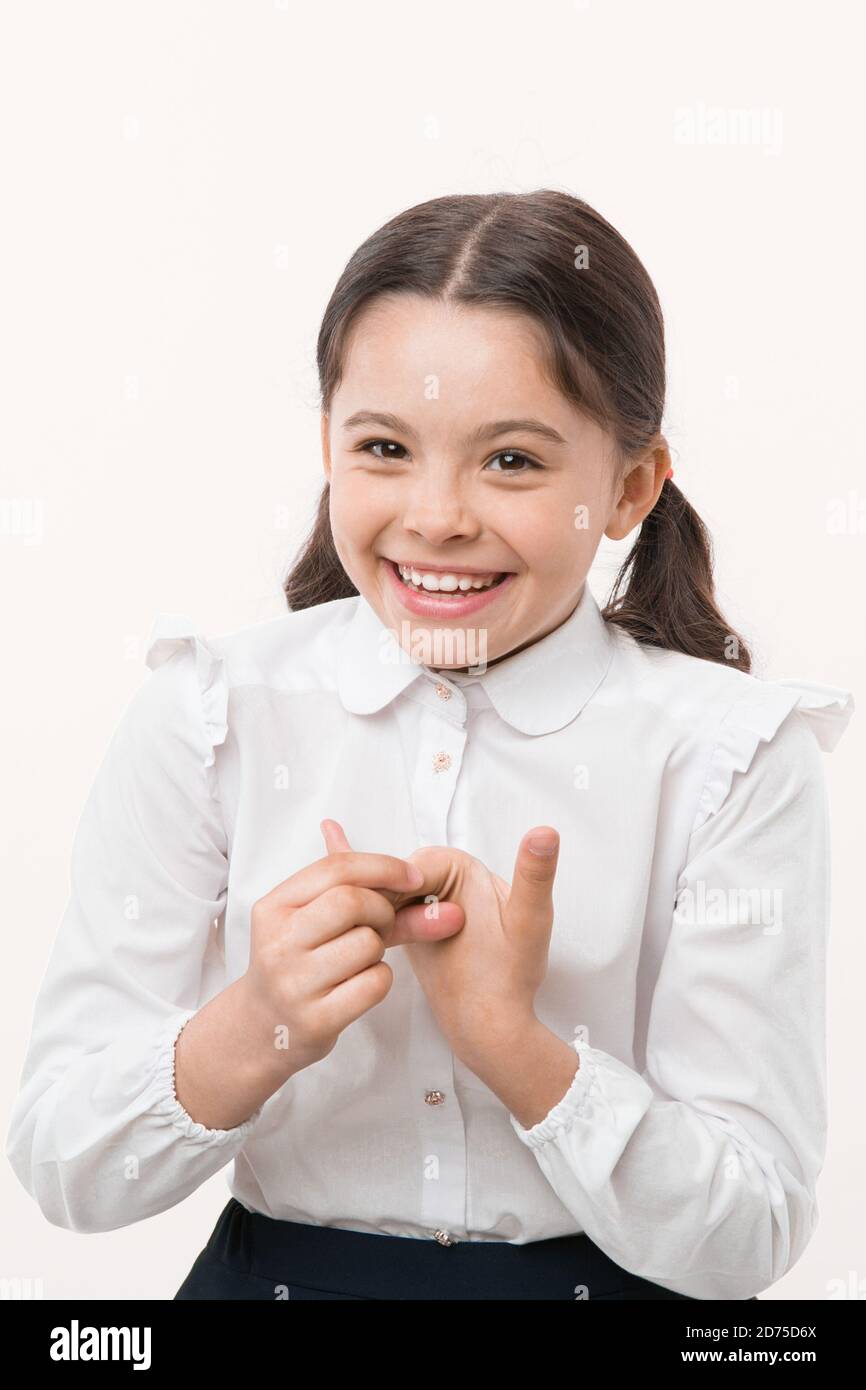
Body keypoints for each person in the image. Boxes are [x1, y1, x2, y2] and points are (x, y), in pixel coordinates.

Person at [6, 190, 854, 1301]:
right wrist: (257, 1023)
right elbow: (65, 1167)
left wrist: (513, 1042)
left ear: (630, 485)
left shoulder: (730, 756)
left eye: (510, 461)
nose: (437, 514)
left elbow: (746, 1232)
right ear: (326, 445)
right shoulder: (210, 713)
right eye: (384, 448)